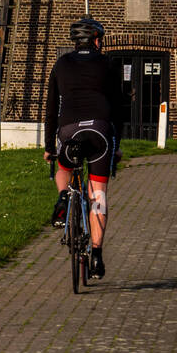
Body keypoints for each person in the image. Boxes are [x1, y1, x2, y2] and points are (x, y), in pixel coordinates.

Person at [43, 16, 124, 280]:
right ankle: (97, 255)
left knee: (64, 168)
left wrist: (48, 147)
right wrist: (117, 144)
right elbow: (118, 107)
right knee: (98, 194)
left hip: (69, 130)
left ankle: (64, 196)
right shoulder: (109, 63)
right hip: (100, 132)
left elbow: (51, 108)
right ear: (96, 40)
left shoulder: (61, 64)